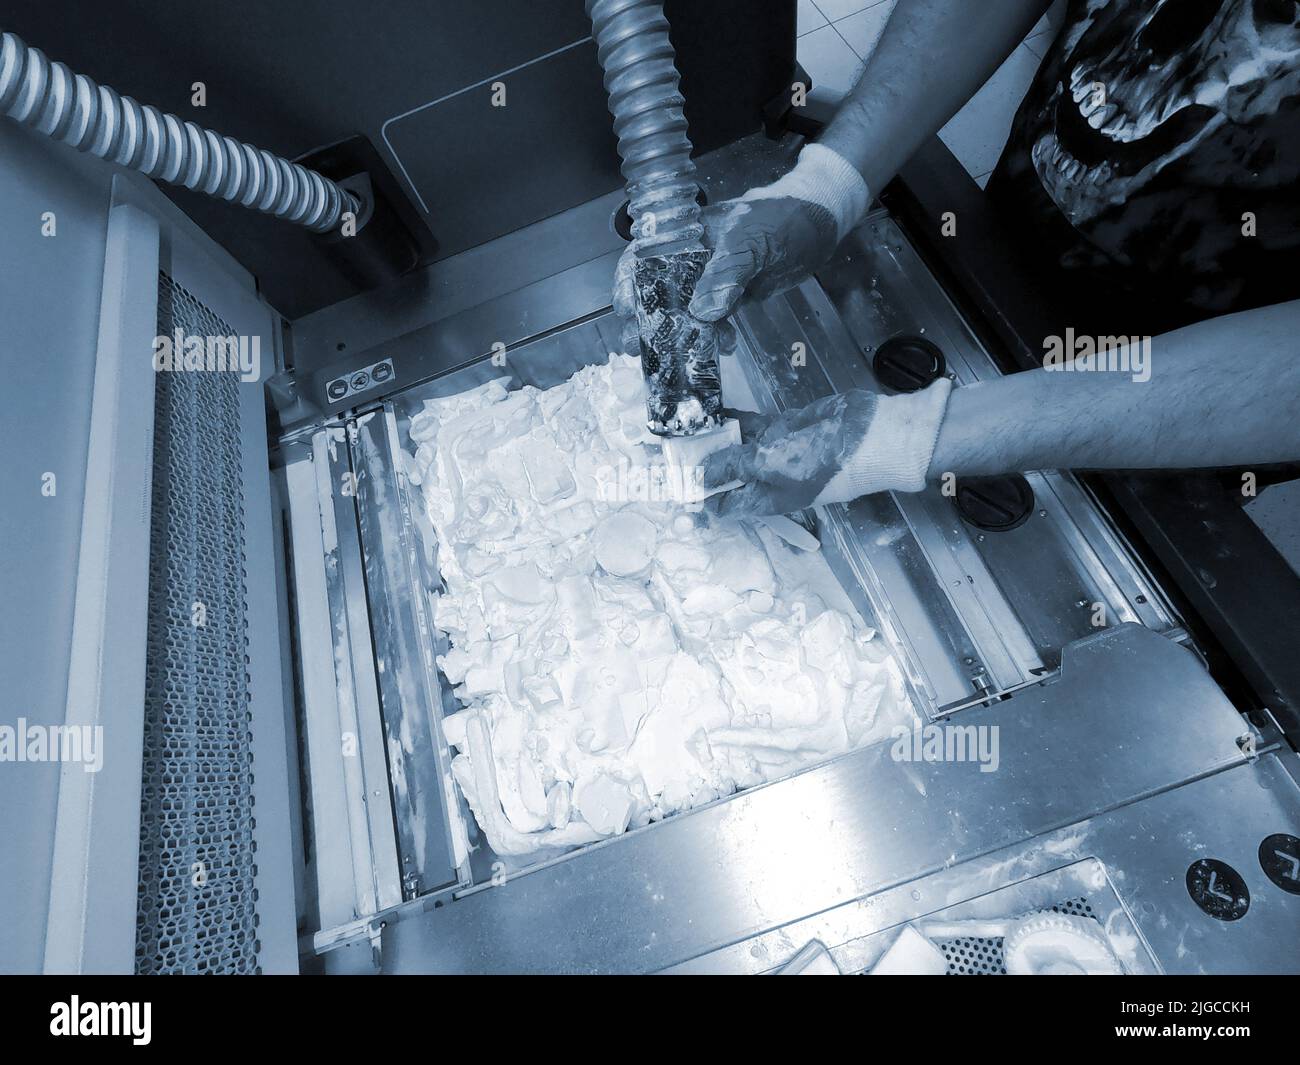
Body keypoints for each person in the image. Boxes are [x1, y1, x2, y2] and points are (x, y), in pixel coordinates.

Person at [615, 0, 1300, 518]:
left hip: (1217, 383)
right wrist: (827, 185)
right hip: (1015, 243)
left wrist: (911, 436)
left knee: (1152, 522)